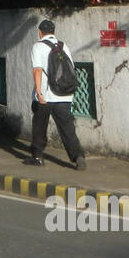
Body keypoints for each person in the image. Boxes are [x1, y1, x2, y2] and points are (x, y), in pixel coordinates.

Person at [29, 19, 86, 169]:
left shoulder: (38, 46)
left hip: (46, 95)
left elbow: (37, 70)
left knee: (39, 126)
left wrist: (39, 92)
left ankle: (38, 156)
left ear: (40, 33)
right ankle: (78, 157)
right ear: (54, 32)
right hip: (64, 94)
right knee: (67, 128)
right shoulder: (63, 45)